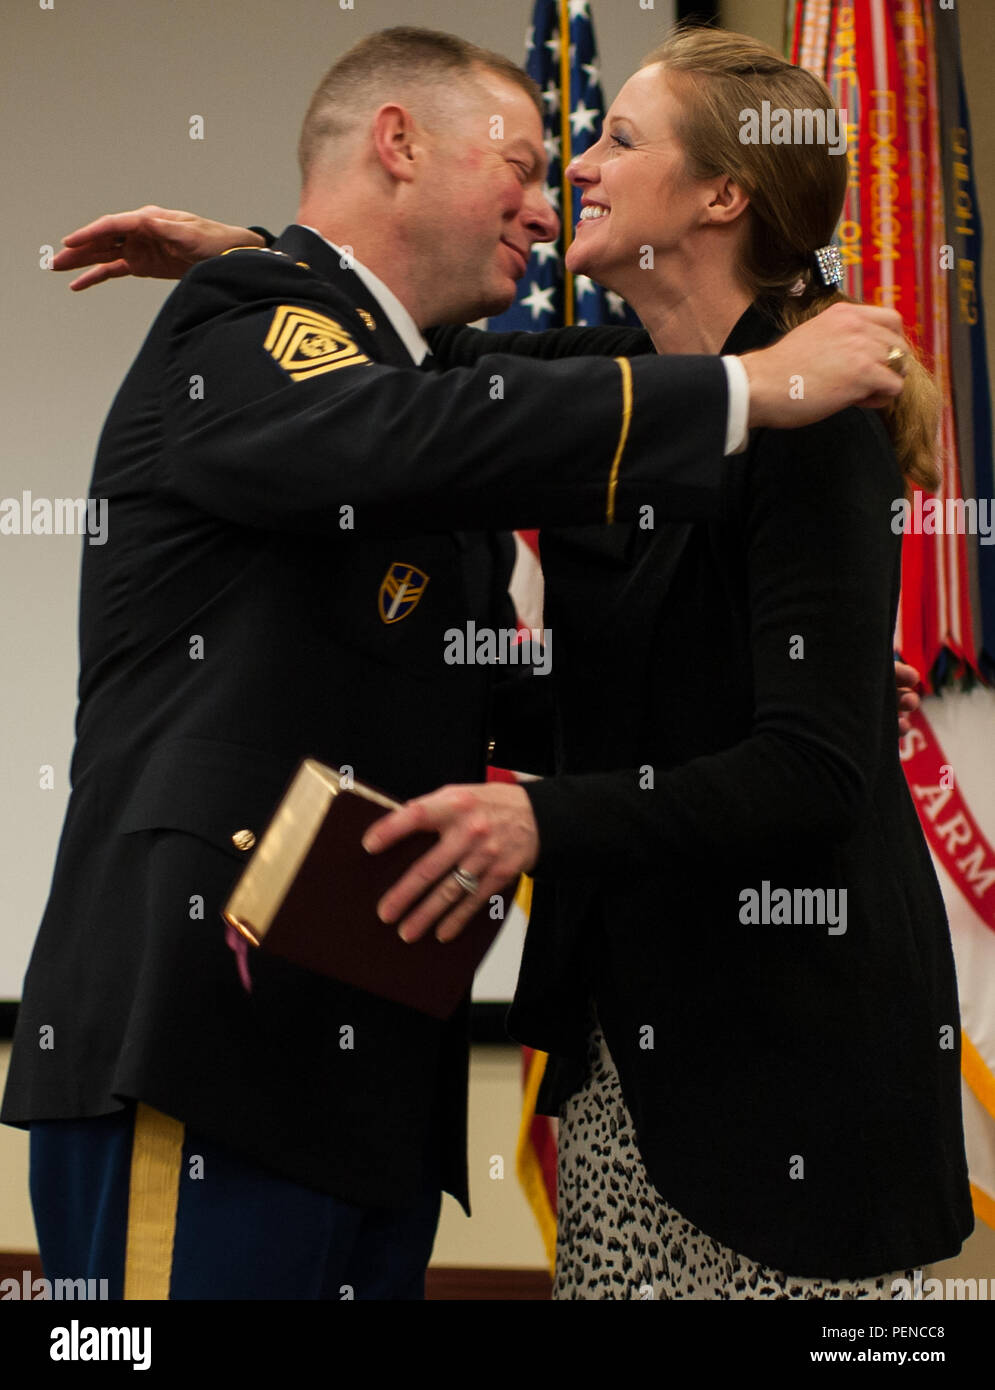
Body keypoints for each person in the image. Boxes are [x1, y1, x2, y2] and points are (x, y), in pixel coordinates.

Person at [1, 25, 911, 1301]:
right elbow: (403, 431)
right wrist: (749, 387)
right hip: (207, 1051)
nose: (552, 200)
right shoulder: (254, 329)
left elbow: (486, 463)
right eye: (531, 162)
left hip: (364, 1086)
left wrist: (778, 694)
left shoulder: (414, 383)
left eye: (593, 149)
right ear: (399, 143)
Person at [359, 28, 975, 1297]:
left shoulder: (816, 429)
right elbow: (407, 355)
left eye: (615, 141)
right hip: (626, 1052)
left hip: (784, 1076)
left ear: (719, 195)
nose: (577, 169)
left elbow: (808, 774)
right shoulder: (623, 388)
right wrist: (251, 262)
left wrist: (538, 817)